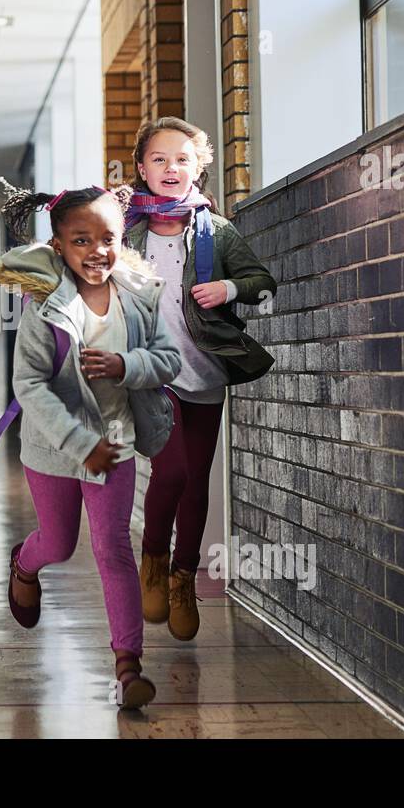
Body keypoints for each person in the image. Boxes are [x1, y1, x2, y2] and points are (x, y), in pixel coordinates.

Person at [0, 183, 181, 709]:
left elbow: (167, 359)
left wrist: (127, 365)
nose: (97, 251)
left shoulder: (139, 297)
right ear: (59, 247)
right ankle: (25, 566)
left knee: (112, 549)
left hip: (115, 442)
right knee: (59, 543)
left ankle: (128, 667)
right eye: (82, 240)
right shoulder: (44, 307)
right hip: (55, 448)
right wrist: (80, 442)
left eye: (108, 239)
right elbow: (29, 384)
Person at [120, 117, 276, 642]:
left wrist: (228, 288)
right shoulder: (125, 229)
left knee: (196, 477)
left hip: (204, 371)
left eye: (182, 159)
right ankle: (153, 565)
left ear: (199, 168)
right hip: (151, 372)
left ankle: (184, 578)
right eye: (159, 159)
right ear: (141, 167)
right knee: (173, 470)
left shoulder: (218, 231)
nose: (170, 168)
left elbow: (261, 282)